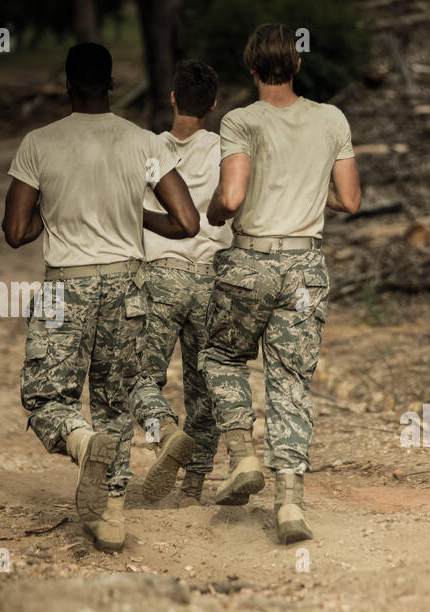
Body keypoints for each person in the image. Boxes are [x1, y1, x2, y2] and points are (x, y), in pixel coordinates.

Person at [3, 42, 199, 552]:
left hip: (65, 284)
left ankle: (80, 440)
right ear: (110, 86)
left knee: (46, 395)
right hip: (128, 283)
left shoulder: (38, 143)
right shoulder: (142, 142)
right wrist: (132, 217)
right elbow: (187, 222)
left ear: (67, 86)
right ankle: (111, 514)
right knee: (115, 399)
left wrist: (58, 212)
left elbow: (15, 231)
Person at [202, 23, 361, 544]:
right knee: (290, 381)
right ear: (297, 66)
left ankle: (243, 455)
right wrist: (311, 193)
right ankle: (290, 503)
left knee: (222, 357)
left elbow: (231, 196)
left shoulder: (241, 121)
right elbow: (351, 200)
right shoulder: (331, 119)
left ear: (251, 69)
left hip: (252, 263)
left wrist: (214, 210)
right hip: (305, 270)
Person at [132, 59, 232, 508]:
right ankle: (193, 488)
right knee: (202, 386)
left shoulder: (146, 148)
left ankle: (163, 432)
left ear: (172, 98)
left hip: (160, 276)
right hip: (210, 280)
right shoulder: (226, 148)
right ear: (212, 105)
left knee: (140, 378)